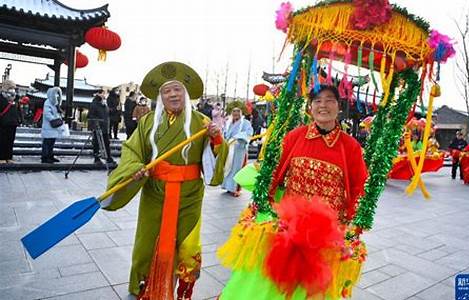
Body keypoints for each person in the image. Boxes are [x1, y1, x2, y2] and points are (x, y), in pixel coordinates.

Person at [219, 85, 368, 299]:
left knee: (314, 290)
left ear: (339, 108)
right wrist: (263, 204)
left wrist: (354, 224)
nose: (323, 105)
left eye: (329, 100)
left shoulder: (350, 146)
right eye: (317, 101)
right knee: (274, 286)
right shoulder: (295, 137)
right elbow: (275, 173)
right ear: (310, 107)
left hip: (328, 233)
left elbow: (358, 188)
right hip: (290, 227)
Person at [101, 62, 228, 299]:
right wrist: (135, 169)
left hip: (189, 194)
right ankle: (143, 286)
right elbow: (132, 151)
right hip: (155, 191)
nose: (172, 94)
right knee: (147, 244)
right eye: (166, 91)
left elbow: (215, 158)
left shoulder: (201, 122)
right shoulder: (148, 122)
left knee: (188, 246)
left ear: (185, 93)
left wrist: (216, 139)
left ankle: (182, 290)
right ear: (160, 96)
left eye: (177, 89)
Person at [222, 107, 253, 197]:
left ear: (241, 112)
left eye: (237, 111)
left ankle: (236, 189)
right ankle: (228, 186)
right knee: (228, 167)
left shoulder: (245, 123)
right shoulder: (229, 123)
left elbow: (249, 133)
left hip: (239, 149)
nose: (235, 113)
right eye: (234, 111)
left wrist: (238, 137)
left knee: (238, 168)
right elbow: (225, 134)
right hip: (230, 148)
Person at [87, 89, 115, 165]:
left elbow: (106, 113)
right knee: (96, 142)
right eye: (103, 93)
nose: (104, 95)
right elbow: (91, 115)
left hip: (105, 127)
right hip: (98, 127)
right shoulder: (95, 103)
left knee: (106, 142)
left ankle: (108, 157)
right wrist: (95, 125)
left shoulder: (104, 103)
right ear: (99, 94)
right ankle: (97, 158)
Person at [41, 87, 65, 163]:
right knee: (47, 142)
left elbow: (57, 113)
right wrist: (54, 119)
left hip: (54, 126)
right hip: (49, 126)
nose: (57, 96)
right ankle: (45, 157)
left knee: (51, 142)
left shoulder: (55, 104)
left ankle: (50, 156)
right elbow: (47, 114)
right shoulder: (47, 102)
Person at [0, 79, 21, 164]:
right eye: (10, 87)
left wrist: (19, 119)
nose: (12, 89)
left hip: (13, 123)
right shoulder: (1, 98)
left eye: (13, 87)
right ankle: (1, 157)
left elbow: (18, 110)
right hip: (2, 123)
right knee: (2, 141)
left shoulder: (15, 98)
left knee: (10, 141)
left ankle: (9, 157)